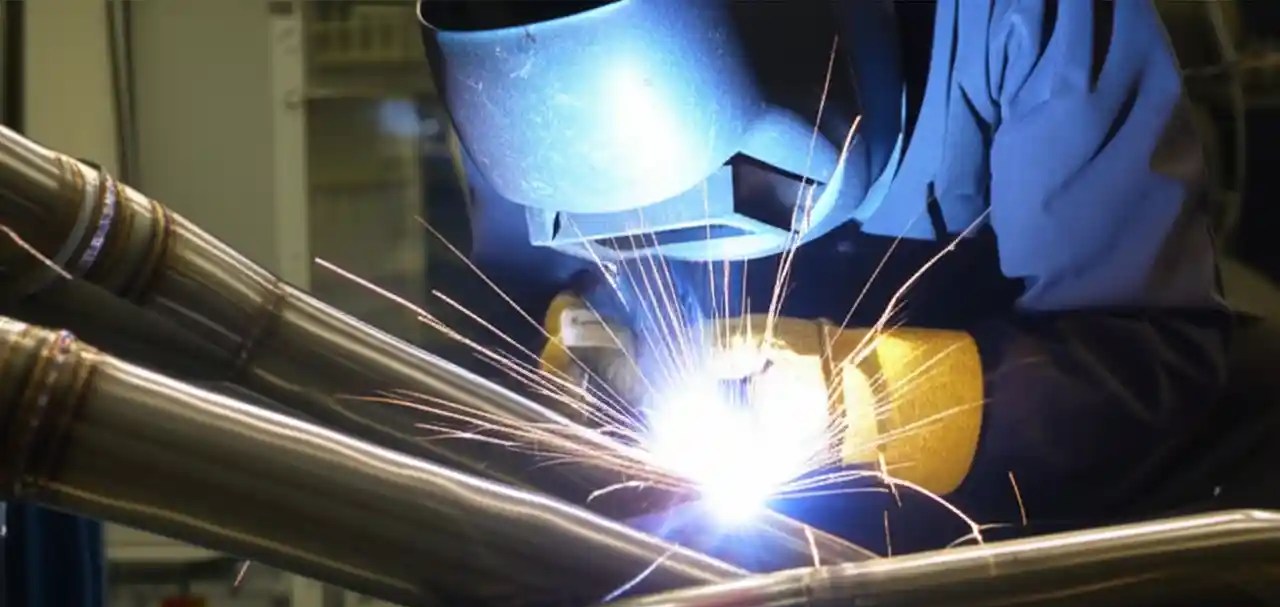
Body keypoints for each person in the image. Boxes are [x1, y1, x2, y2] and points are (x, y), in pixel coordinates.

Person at [417, 0, 1268, 553]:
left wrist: (874, 403)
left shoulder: (1025, 16)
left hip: (1022, 525)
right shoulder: (516, 66)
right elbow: (509, 316)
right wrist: (570, 361)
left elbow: (1156, 355)